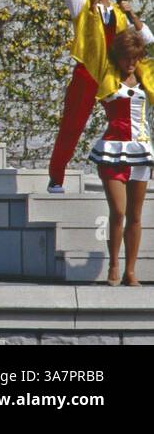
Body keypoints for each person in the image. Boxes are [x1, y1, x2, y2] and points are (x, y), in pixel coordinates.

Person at [48, 0, 151, 193]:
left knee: (127, 122)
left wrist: (133, 15)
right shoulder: (81, 4)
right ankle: (56, 177)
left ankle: (127, 172)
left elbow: (146, 40)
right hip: (87, 75)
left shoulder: (119, 13)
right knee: (71, 126)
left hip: (111, 77)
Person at [89, 27, 154, 285]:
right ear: (118, 57)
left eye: (135, 57)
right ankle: (114, 265)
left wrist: (136, 20)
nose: (131, 63)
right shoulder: (107, 76)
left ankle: (130, 271)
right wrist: (95, 6)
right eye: (127, 57)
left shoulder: (146, 78)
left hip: (140, 151)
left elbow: (150, 41)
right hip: (112, 150)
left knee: (136, 215)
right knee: (118, 211)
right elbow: (92, 43)